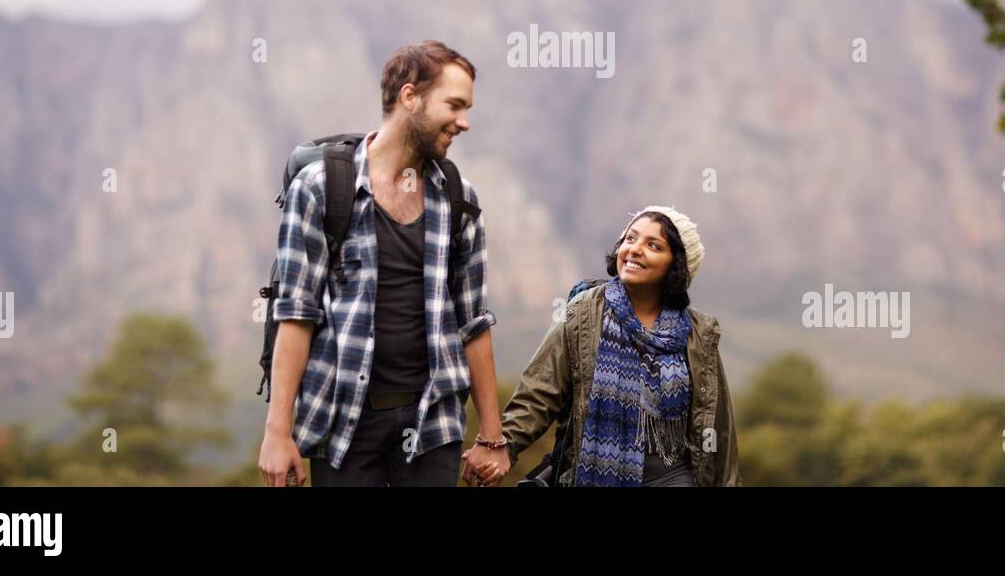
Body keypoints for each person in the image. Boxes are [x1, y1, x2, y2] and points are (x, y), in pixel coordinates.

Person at [258, 40, 511, 486]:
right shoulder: (320, 189)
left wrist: (492, 435)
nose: (465, 122)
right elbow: (296, 314)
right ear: (409, 96)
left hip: (433, 426)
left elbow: (472, 321)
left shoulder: (459, 199)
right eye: (454, 105)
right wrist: (278, 432)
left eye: (468, 108)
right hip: (342, 423)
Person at [491, 206, 741, 486]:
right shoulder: (583, 313)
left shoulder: (699, 335)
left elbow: (720, 430)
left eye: (653, 245)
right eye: (630, 239)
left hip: (675, 478)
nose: (634, 250)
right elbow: (538, 393)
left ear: (677, 264)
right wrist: (501, 446)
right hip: (594, 474)